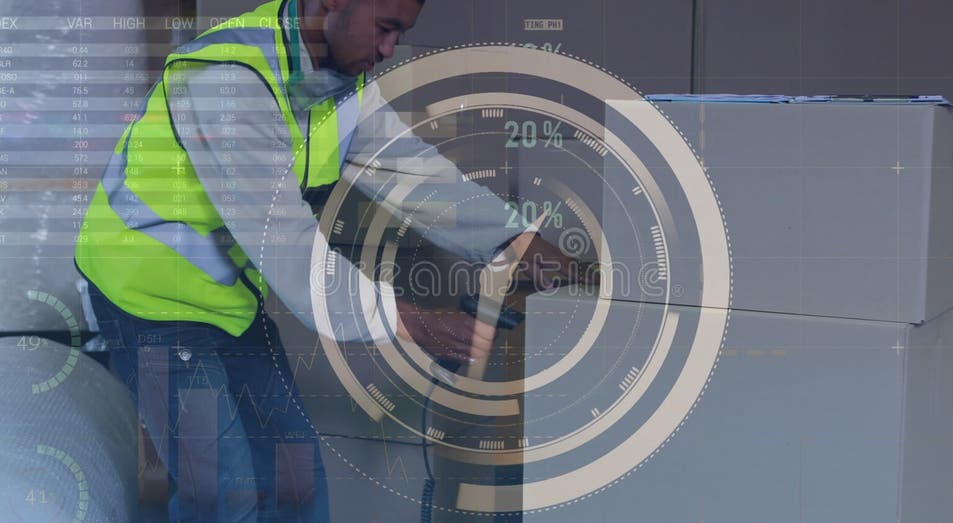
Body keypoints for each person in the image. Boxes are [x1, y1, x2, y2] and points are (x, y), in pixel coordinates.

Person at [74, 0, 584, 520]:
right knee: (224, 493)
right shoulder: (227, 81)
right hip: (147, 291)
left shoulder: (338, 82)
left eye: (399, 33)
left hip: (224, 296)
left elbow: (416, 179)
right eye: (385, 29)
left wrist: (513, 241)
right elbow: (289, 246)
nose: (389, 50)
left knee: (295, 482)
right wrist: (412, 322)